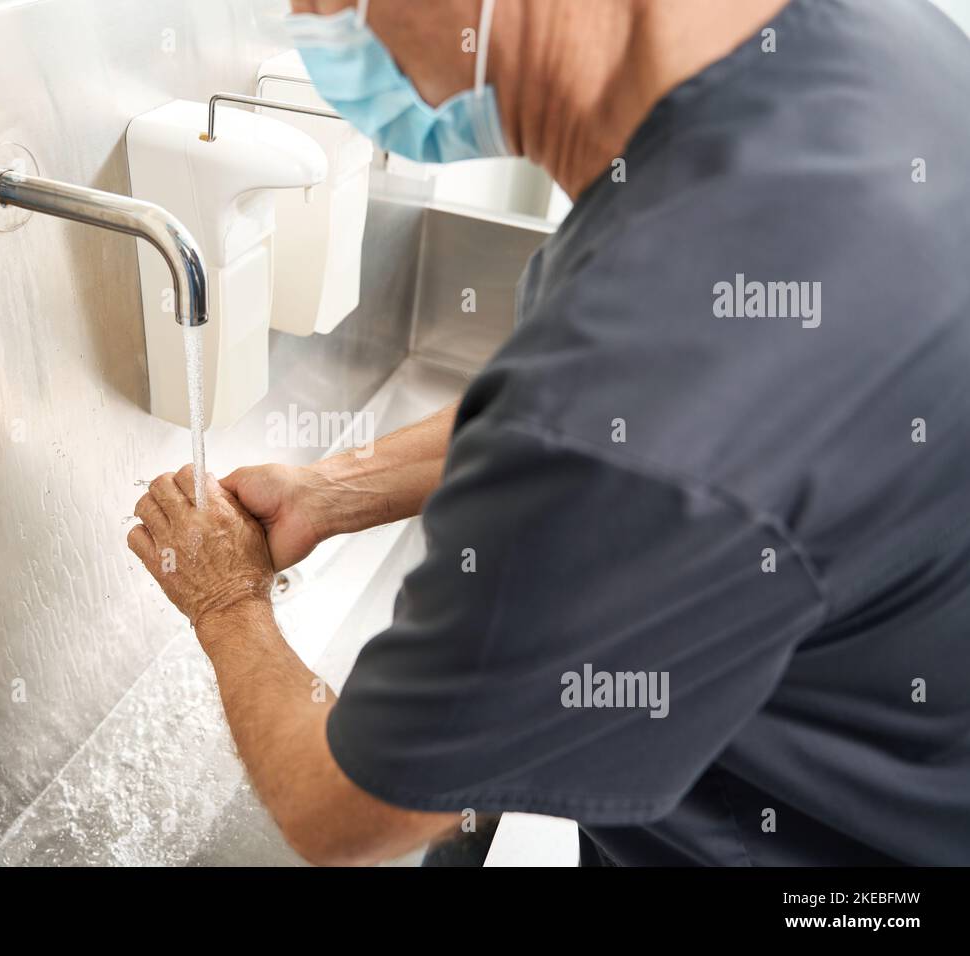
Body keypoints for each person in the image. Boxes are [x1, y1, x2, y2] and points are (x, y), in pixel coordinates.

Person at [127, 0, 970, 866]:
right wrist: (332, 491)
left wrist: (226, 601)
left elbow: (346, 808)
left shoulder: (648, 389)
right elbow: (605, 424)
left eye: (331, 1)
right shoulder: (861, 41)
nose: (314, 21)